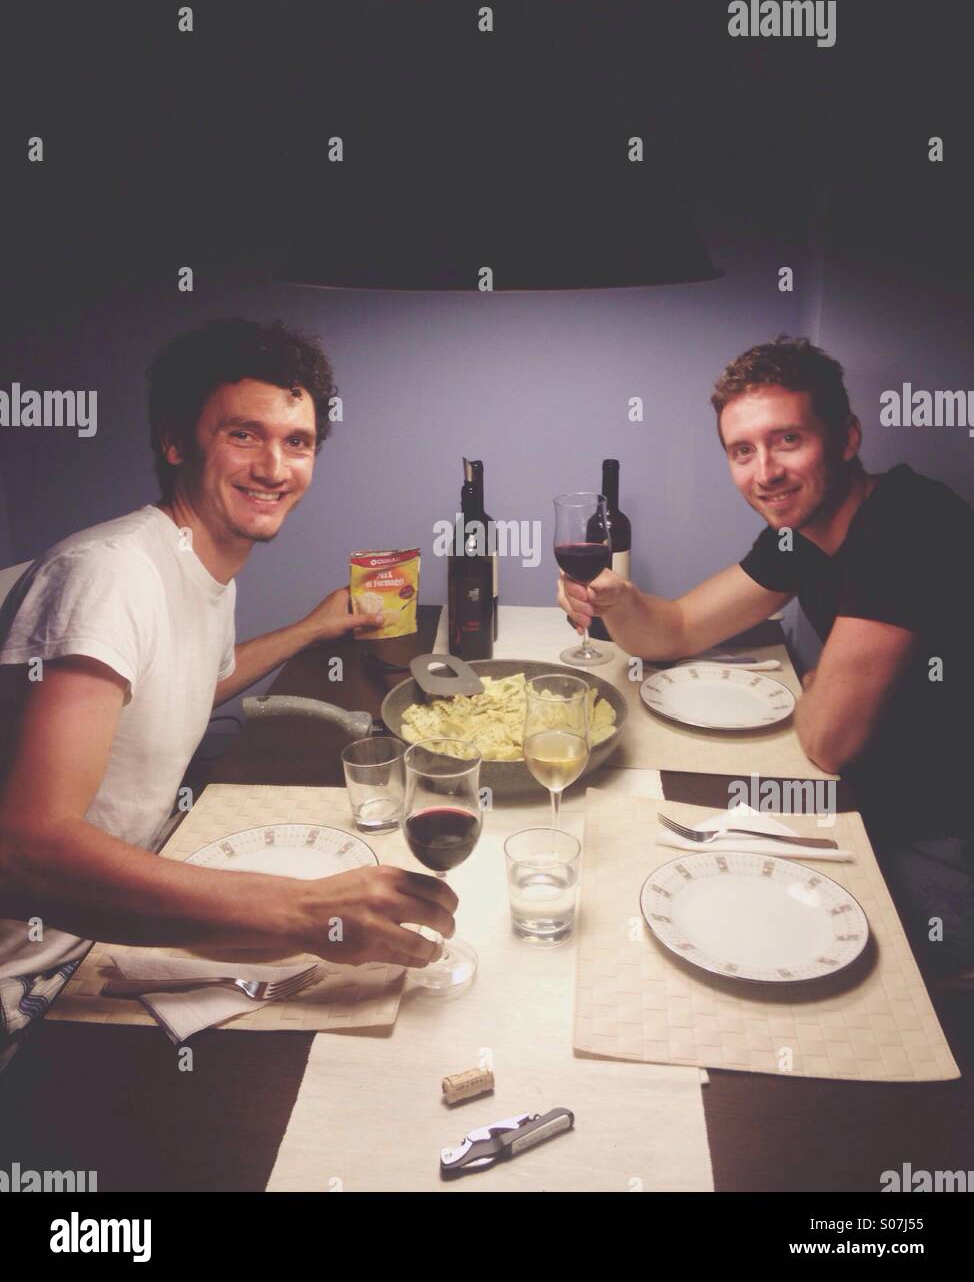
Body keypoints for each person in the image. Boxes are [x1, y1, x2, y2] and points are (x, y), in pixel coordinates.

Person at [0, 318, 456, 1069]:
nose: (275, 467)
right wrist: (306, 914)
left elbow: (183, 685)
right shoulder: (109, 575)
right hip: (37, 988)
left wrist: (308, 630)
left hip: (116, 927)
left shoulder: (198, 562)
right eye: (244, 435)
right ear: (176, 441)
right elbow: (26, 848)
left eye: (298, 442)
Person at [558, 336, 974, 977]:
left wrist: (819, 685)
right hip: (871, 798)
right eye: (742, 451)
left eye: (788, 440)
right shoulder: (797, 534)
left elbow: (829, 740)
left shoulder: (905, 524)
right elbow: (678, 627)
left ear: (847, 438)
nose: (765, 473)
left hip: (936, 841)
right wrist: (617, 602)